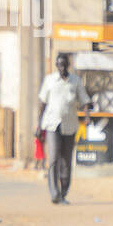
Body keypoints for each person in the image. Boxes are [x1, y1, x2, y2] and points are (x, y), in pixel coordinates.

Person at [36, 53, 93, 204]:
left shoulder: (75, 81)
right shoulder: (49, 80)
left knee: (66, 161)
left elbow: (84, 100)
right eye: (59, 65)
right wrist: (38, 124)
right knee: (54, 157)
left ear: (68, 65)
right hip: (52, 124)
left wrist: (87, 116)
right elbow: (42, 103)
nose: (61, 68)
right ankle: (54, 193)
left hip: (70, 125)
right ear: (56, 66)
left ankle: (63, 193)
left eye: (64, 65)